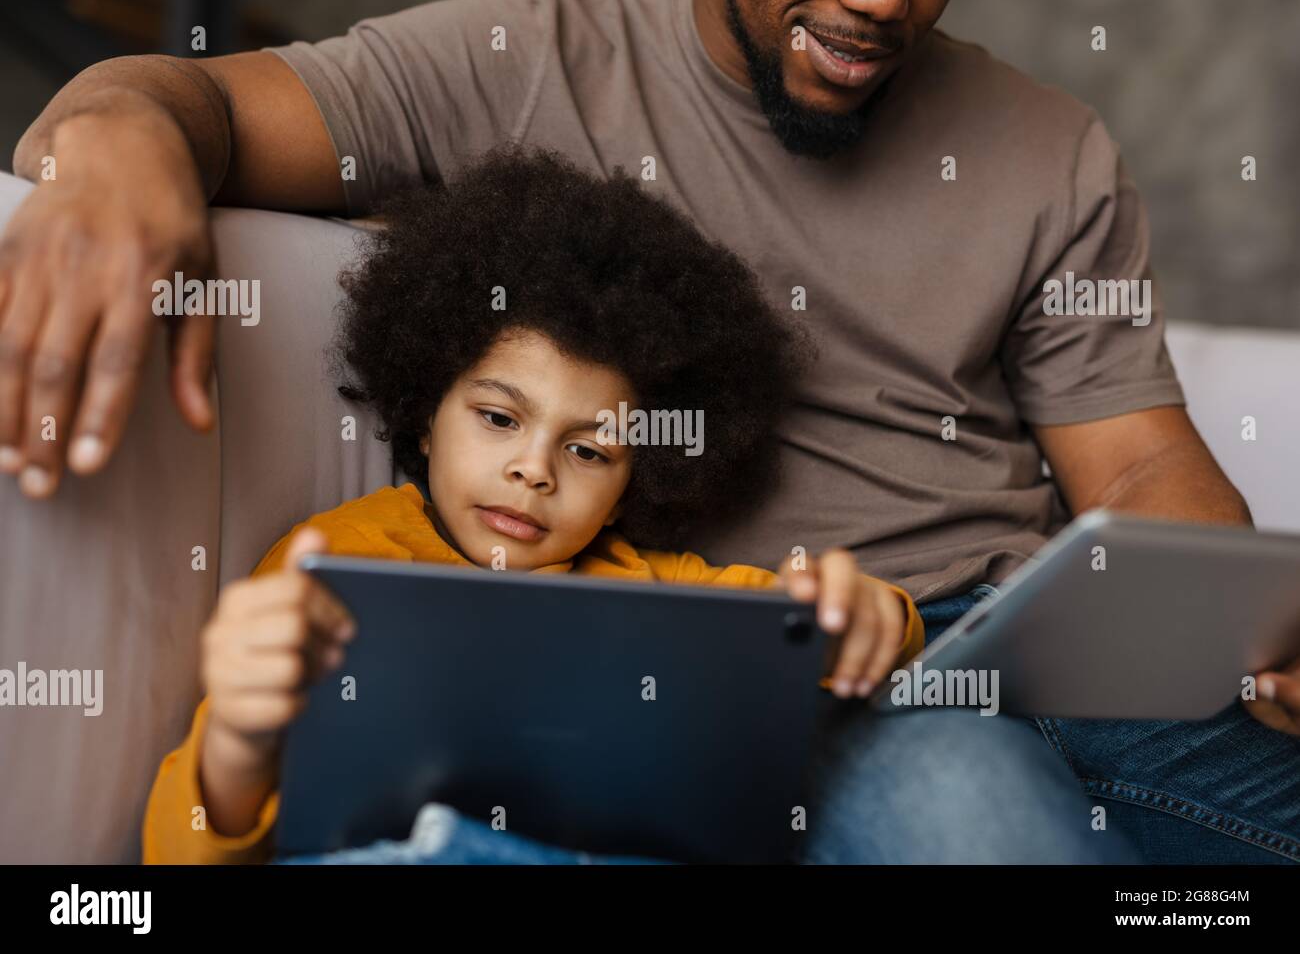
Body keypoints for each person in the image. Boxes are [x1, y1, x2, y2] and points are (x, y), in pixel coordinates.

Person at [7, 0, 1297, 861]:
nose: (878, 2)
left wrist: (1238, 634)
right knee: (978, 816)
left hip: (1044, 636)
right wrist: (116, 146)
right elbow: (200, 104)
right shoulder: (528, 51)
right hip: (802, 677)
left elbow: (1134, 460)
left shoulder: (1051, 147)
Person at [142, 147, 925, 863]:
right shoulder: (337, 565)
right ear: (423, 411)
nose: (534, 471)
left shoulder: (666, 590)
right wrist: (242, 741)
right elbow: (183, 853)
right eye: (499, 418)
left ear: (632, 488)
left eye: (589, 451)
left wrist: (855, 616)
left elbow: (825, 631)